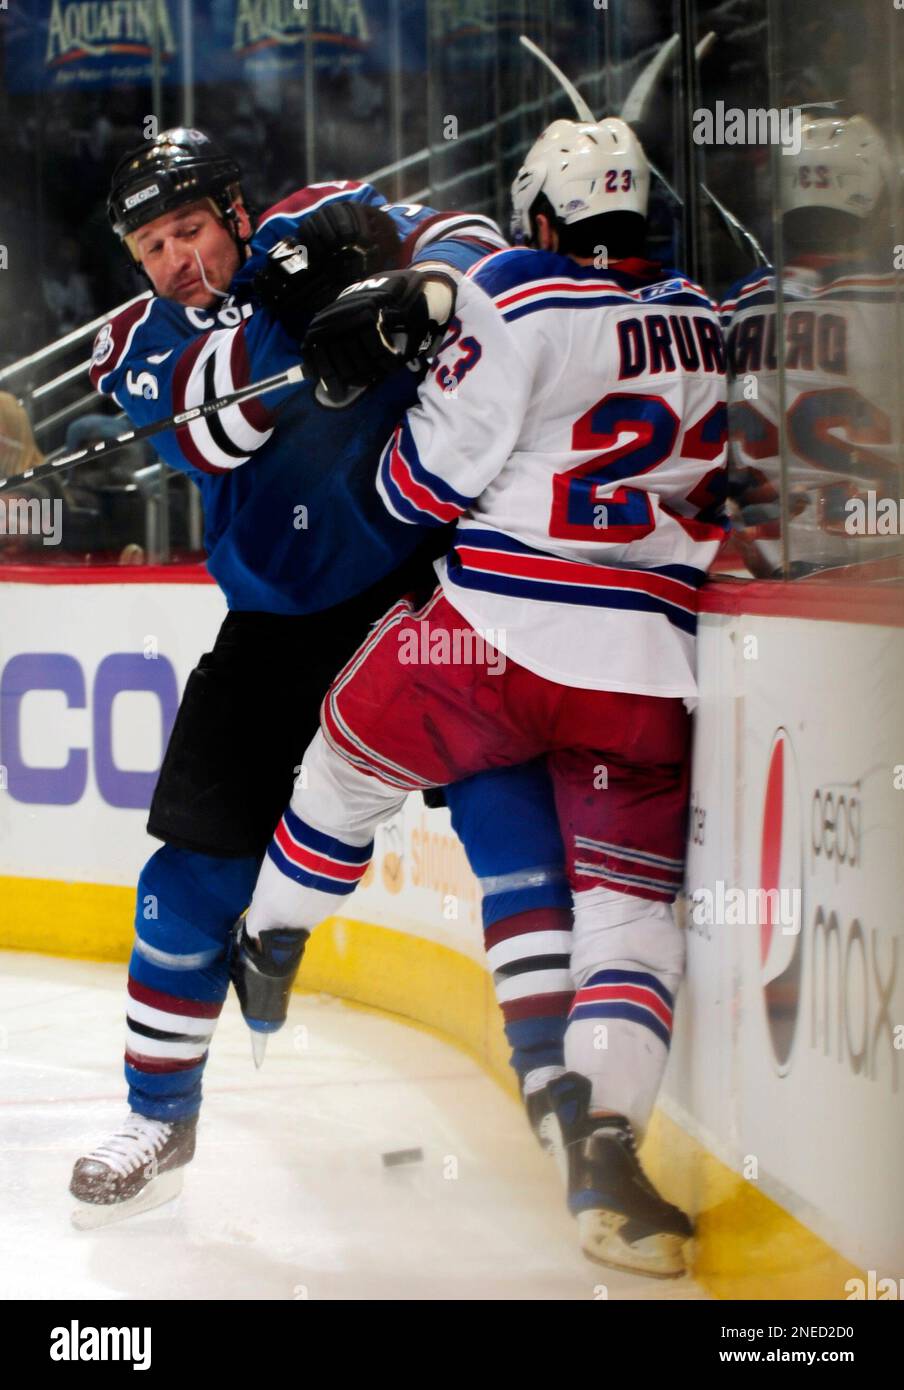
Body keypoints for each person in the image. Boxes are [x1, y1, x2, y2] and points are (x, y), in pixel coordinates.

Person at [232, 115, 730, 1278]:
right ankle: (607, 1156)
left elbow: (417, 490)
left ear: (542, 215)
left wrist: (408, 378)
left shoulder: (513, 289)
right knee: (626, 919)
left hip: (488, 646)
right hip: (644, 675)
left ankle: (273, 933)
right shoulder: (708, 319)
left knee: (345, 765)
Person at [68, 126, 526, 1222]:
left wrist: (412, 281)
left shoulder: (318, 212)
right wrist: (316, 316)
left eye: (189, 230)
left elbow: (485, 255)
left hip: (431, 588)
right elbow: (215, 432)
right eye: (152, 247)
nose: (177, 260)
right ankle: (156, 1114)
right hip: (276, 622)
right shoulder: (131, 347)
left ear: (232, 209)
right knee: (191, 873)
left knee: (513, 814)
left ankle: (574, 1090)